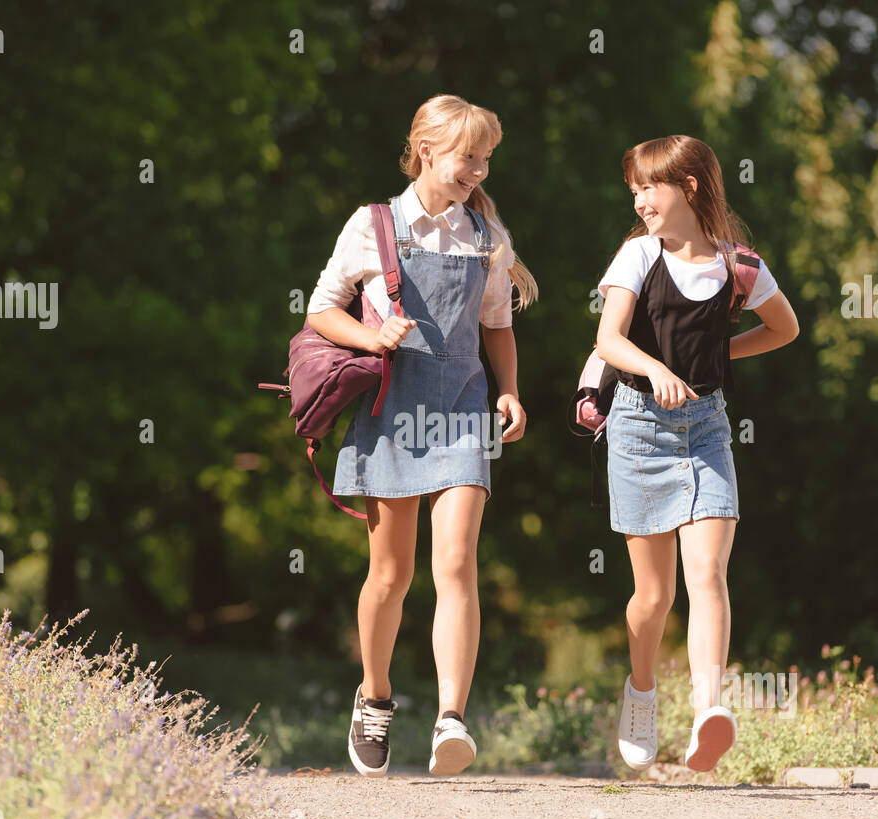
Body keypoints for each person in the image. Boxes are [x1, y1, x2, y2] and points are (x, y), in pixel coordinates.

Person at [305, 94, 538, 777]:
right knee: (390, 574)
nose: (480, 170)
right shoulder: (371, 226)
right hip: (389, 409)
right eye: (471, 156)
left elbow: (498, 324)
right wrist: (372, 333)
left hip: (462, 410)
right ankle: (375, 694)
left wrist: (512, 392)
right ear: (428, 150)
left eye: (487, 158)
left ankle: (450, 718)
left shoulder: (486, 237)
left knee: (458, 562)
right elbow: (322, 311)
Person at [593, 135, 799, 773]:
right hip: (636, 427)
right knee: (653, 597)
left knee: (707, 574)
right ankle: (643, 690)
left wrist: (712, 359)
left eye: (648, 186)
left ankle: (709, 708)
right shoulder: (637, 256)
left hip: (707, 428)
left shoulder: (739, 267)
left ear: (687, 187)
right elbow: (608, 339)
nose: (639, 198)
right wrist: (657, 370)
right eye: (634, 188)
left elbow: (784, 328)